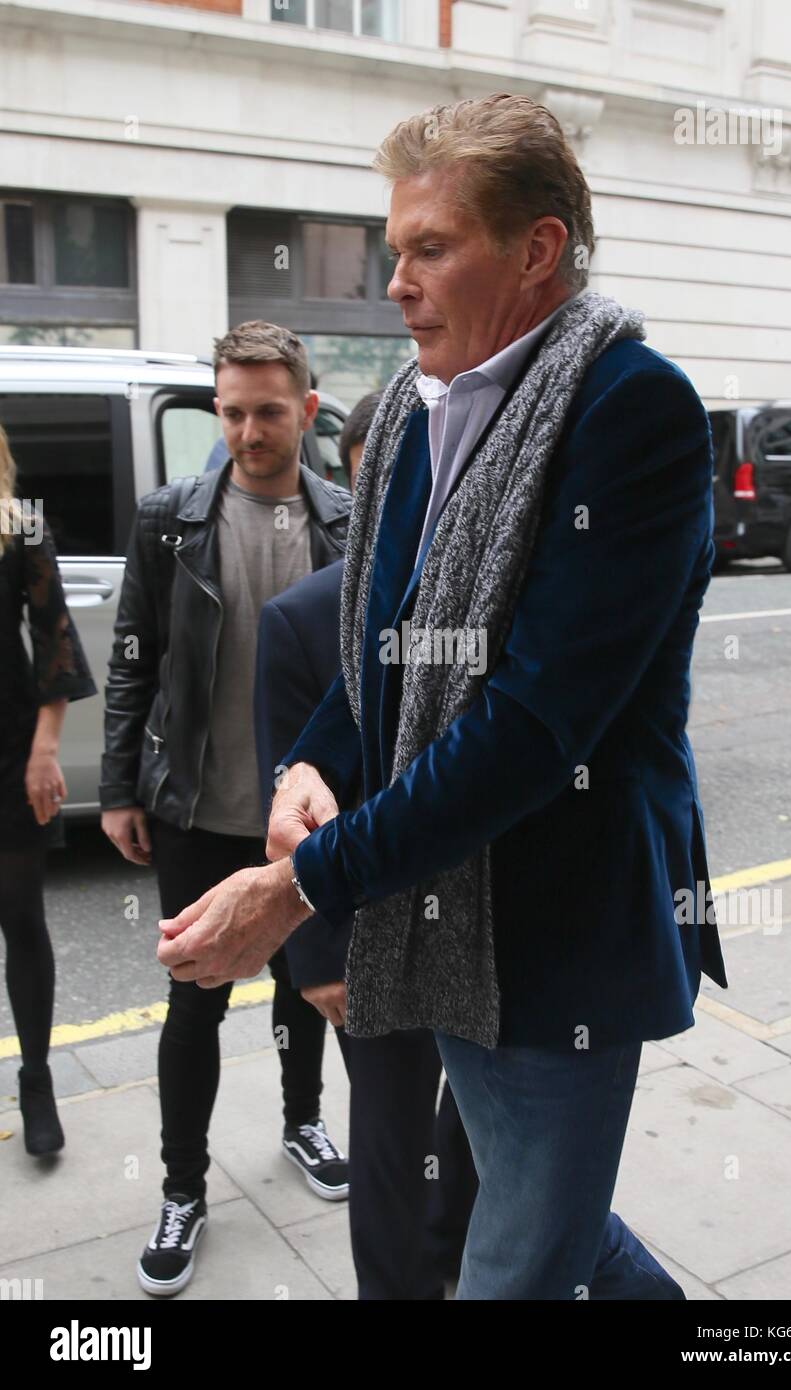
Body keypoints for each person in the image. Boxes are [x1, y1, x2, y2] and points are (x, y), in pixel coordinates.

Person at [155, 95, 729, 1301]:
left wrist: (301, 884)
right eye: (393, 252)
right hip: (440, 912)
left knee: (515, 1260)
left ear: (535, 250)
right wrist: (315, 760)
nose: (397, 285)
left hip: (562, 931)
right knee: (552, 1222)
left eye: (430, 248)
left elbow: (530, 727)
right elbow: (387, 651)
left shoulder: (633, 411)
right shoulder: (422, 413)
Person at [100, 321, 352, 1297]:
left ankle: (300, 1121)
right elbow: (134, 655)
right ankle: (180, 1189)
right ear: (218, 407)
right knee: (193, 1001)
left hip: (303, 817)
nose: (248, 430)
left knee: (307, 984)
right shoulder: (170, 518)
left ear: (306, 410)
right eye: (233, 410)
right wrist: (122, 784)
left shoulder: (347, 518)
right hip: (197, 811)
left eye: (268, 411)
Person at [255, 392, 477, 1299]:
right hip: (370, 943)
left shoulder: (484, 597)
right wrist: (316, 958)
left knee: (473, 1148)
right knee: (391, 1152)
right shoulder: (301, 619)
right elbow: (283, 808)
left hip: (483, 929)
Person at [0, 422, 97, 1156]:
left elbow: (55, 634)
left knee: (21, 917)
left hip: (8, 746)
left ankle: (36, 1081)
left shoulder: (19, 525)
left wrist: (44, 749)